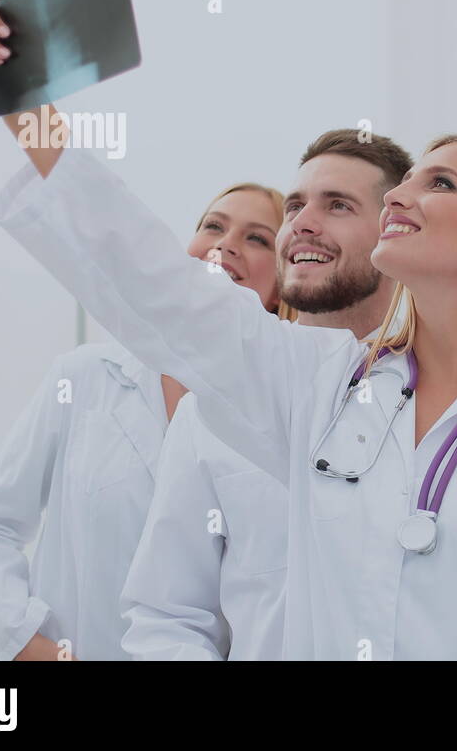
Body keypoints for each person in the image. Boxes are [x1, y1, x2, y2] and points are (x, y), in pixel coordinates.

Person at [0, 0, 457, 659]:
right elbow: (163, 288)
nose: (405, 195)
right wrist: (29, 113)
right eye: (407, 182)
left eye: (439, 183)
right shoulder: (319, 385)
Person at [0, 177, 296, 661]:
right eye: (213, 226)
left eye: (257, 237)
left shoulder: (281, 417)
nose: (226, 244)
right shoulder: (85, 378)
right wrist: (32, 647)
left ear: (282, 288)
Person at [120, 129, 411, 660]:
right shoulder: (209, 410)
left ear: (393, 235)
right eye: (295, 206)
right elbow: (169, 615)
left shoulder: (440, 395)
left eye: (338, 205)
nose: (302, 222)